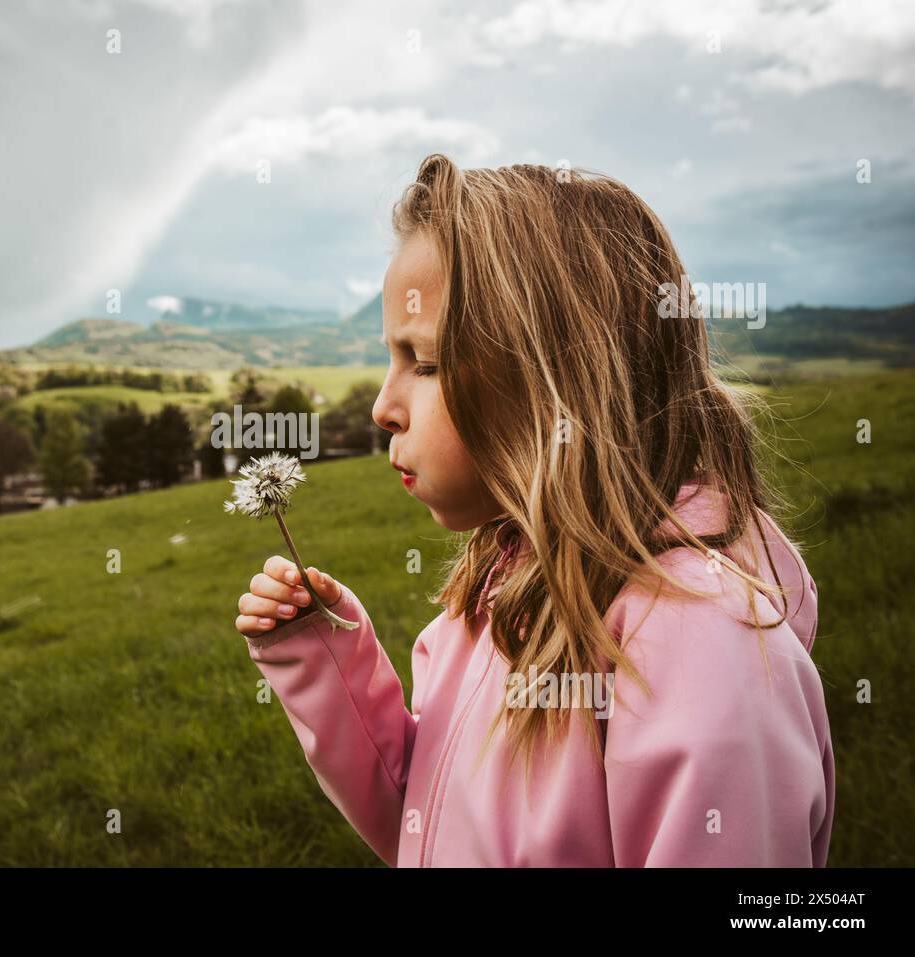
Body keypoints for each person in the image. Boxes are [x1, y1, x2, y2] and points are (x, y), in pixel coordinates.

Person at [233, 155, 833, 867]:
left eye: (423, 363)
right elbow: (422, 825)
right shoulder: (497, 596)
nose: (381, 407)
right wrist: (325, 656)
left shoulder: (703, 649)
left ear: (553, 378)